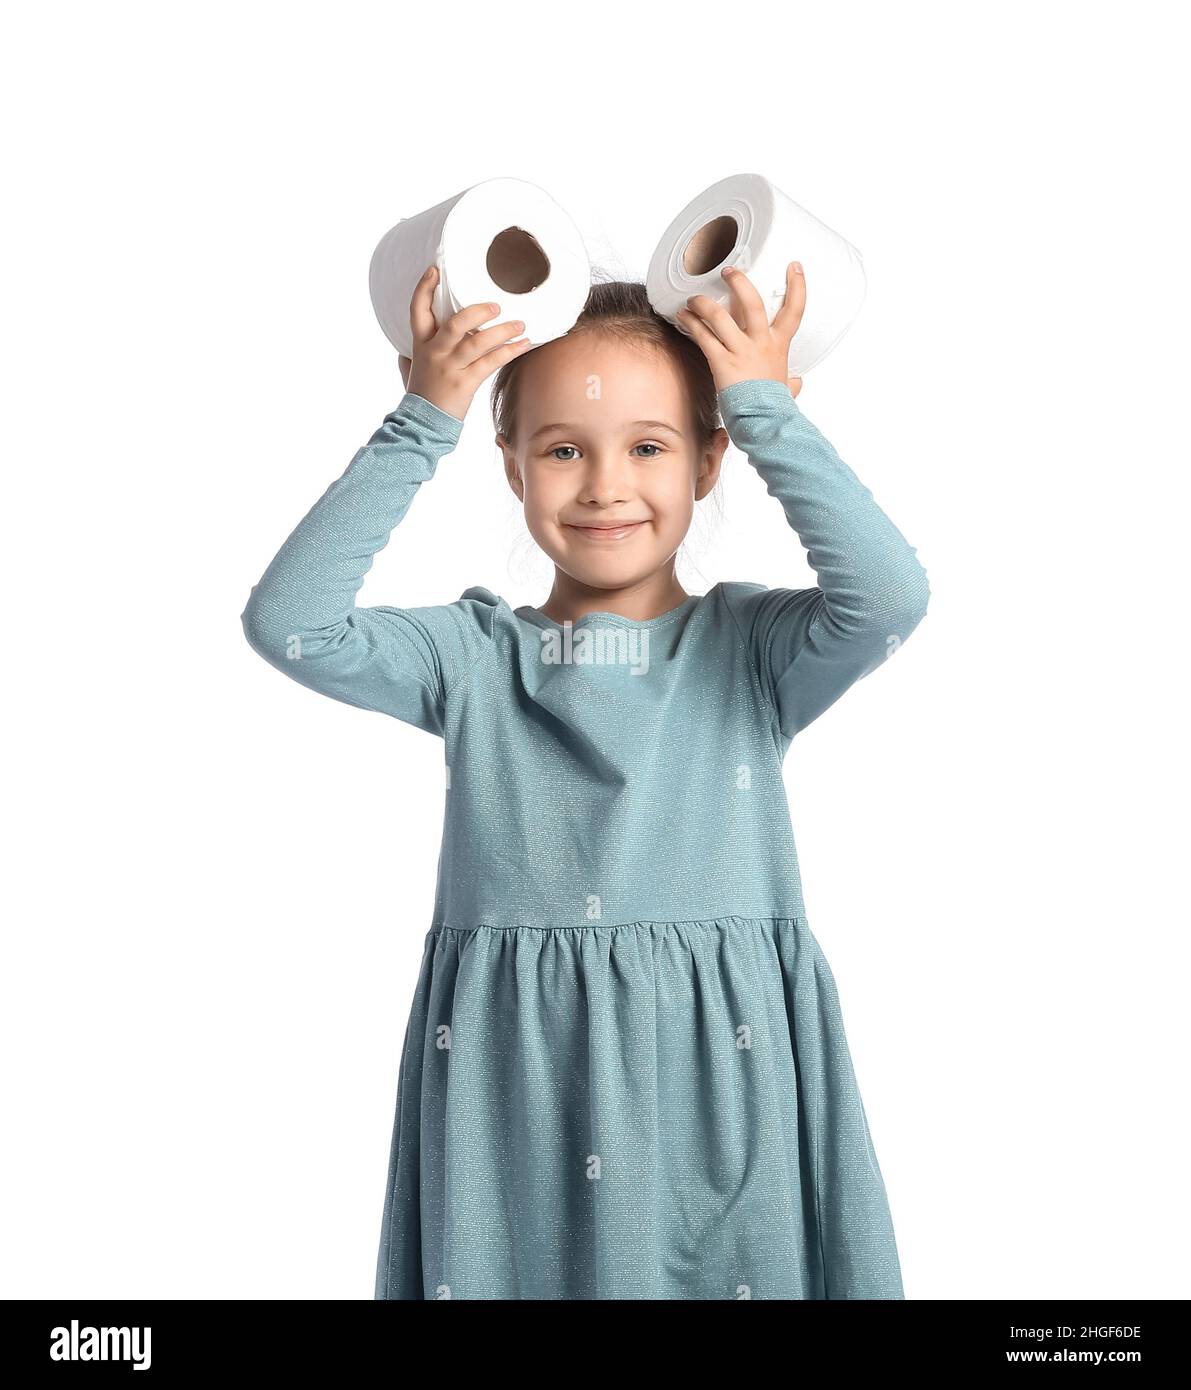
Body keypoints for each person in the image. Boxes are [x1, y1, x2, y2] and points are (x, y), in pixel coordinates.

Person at [241, 256, 930, 1299]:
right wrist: (422, 418)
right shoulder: (473, 660)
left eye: (648, 446)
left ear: (708, 461)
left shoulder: (750, 651)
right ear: (511, 465)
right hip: (523, 1090)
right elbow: (290, 623)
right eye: (563, 448)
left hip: (722, 1083)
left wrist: (765, 410)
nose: (606, 485)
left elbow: (890, 597)